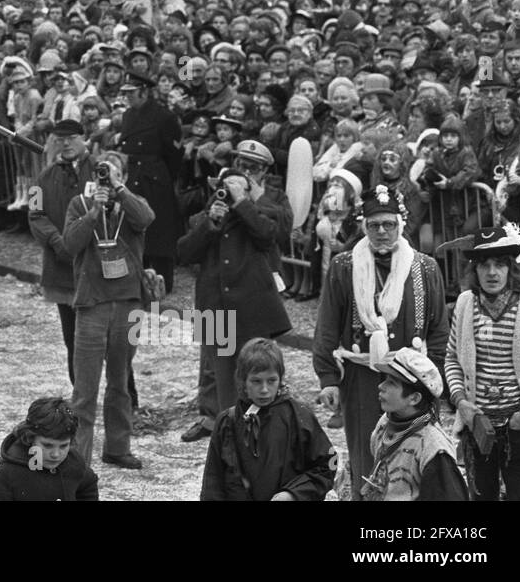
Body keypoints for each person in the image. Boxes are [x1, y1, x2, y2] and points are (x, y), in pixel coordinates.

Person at [313, 184, 450, 496]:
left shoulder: (426, 268)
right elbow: (327, 327)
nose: (382, 232)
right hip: (362, 381)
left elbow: (439, 330)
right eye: (374, 225)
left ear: (400, 226)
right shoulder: (343, 267)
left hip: (414, 384)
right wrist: (328, 379)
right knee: (366, 457)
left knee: (415, 458)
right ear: (364, 227)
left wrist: (435, 379)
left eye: (389, 224)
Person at [62, 151, 155, 470]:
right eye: (102, 174)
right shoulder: (80, 204)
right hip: (92, 304)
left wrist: (120, 191)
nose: (105, 179)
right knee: (84, 390)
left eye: (113, 174)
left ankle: (117, 447)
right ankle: (77, 461)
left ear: (124, 177)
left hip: (128, 303)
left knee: (120, 382)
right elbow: (70, 245)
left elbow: (145, 219)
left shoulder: (132, 203)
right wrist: (93, 213)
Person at [178, 163, 292, 420]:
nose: (228, 193)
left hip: (252, 311)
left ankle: (261, 432)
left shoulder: (257, 217)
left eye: (235, 188)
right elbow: (185, 253)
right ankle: (228, 433)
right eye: (224, 187)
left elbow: (269, 235)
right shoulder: (203, 219)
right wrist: (210, 224)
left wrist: (242, 203)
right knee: (224, 384)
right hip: (216, 312)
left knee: (258, 375)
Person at [444, 224, 520, 501]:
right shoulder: (464, 303)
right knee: (482, 496)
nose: (492, 272)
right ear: (475, 270)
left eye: (500, 264)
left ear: (511, 268)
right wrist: (460, 400)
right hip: (478, 426)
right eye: (484, 265)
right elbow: (451, 358)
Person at [200, 338, 336, 501]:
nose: (264, 389)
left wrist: (293, 494)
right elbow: (213, 483)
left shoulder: (299, 416)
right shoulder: (227, 421)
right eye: (256, 381)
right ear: (243, 381)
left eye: (271, 381)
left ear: (280, 379)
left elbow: (326, 466)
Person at [28, 118, 91, 384]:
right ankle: (80, 397)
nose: (66, 144)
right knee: (72, 339)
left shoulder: (102, 169)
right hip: (62, 269)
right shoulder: (42, 177)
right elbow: (34, 215)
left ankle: (125, 399)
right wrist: (57, 241)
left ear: (83, 139)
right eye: (60, 140)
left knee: (112, 340)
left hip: (96, 267)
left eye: (71, 138)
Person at [362, 348, 469, 501]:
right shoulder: (385, 423)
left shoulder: (433, 448)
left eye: (391, 383)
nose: (381, 386)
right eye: (385, 379)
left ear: (414, 398)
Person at [115, 69, 184, 294]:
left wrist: (164, 176)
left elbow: (174, 154)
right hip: (133, 175)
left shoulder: (163, 116)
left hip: (156, 178)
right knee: (135, 225)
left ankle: (163, 280)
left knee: (159, 230)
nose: (127, 96)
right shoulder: (127, 116)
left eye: (131, 92)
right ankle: (139, 277)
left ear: (144, 92)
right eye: (125, 92)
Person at [0, 397, 98, 501]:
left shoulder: (74, 463)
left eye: (63, 446)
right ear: (30, 438)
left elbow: (88, 487)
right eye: (47, 445)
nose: (56, 454)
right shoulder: (10, 472)